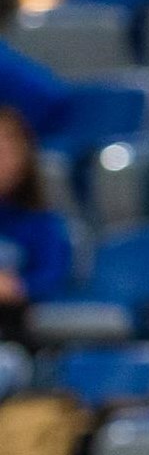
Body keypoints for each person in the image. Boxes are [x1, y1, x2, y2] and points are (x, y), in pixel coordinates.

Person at [0, 106, 74, 335]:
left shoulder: (42, 224)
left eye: (10, 149)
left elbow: (51, 280)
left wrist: (17, 288)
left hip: (18, 328)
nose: (3, 159)